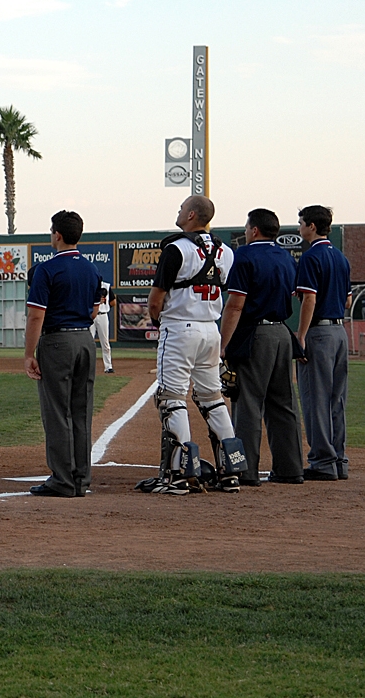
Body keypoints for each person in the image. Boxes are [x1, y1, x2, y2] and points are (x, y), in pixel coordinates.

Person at [138, 194, 246, 495]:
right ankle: (231, 471)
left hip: (179, 328)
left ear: (192, 215)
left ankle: (180, 475)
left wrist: (159, 321)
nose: (179, 210)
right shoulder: (226, 251)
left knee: (172, 397)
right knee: (212, 398)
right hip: (210, 329)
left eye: (182, 208)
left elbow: (156, 300)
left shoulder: (175, 249)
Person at [220, 208, 305, 485]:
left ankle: (246, 471)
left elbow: (235, 306)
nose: (246, 231)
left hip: (256, 334)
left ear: (254, 230)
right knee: (283, 404)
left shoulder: (244, 256)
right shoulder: (286, 256)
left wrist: (223, 344)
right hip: (282, 334)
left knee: (248, 404)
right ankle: (291, 469)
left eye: (247, 227)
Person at [23, 210, 100, 498]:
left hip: (57, 341)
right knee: (81, 411)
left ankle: (63, 480)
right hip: (85, 340)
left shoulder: (47, 269)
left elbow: (36, 316)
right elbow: (94, 310)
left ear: (57, 235)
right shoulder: (91, 269)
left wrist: (28, 353)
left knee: (57, 412)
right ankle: (81, 479)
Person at [294, 204, 352, 481]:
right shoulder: (340, 257)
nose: (299, 228)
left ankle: (322, 462)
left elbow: (310, 299)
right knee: (336, 400)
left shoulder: (311, 257)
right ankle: (339, 461)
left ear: (312, 226)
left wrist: (301, 335)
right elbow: (348, 300)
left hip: (319, 333)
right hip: (340, 332)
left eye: (301, 223)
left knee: (315, 399)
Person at [92, 279, 115, 373]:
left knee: (105, 342)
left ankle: (108, 366)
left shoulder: (106, 286)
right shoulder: (89, 284)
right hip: (91, 315)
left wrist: (105, 305)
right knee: (89, 342)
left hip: (102, 315)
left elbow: (113, 302)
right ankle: (88, 366)